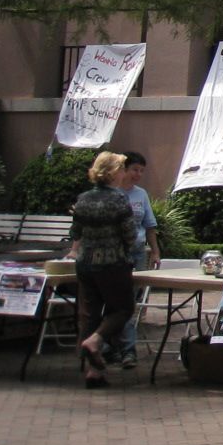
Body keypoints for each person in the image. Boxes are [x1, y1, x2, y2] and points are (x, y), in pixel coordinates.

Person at [68, 152, 138, 389]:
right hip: (112, 263)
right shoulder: (119, 200)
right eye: (120, 168)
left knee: (90, 313)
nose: (123, 173)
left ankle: (93, 373)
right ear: (112, 173)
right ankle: (95, 341)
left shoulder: (83, 199)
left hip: (85, 263)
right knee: (123, 308)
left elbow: (75, 233)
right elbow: (130, 234)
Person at [107, 150, 160, 369]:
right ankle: (116, 348)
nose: (138, 174)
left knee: (129, 301)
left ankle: (125, 349)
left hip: (137, 252)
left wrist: (155, 251)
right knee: (116, 302)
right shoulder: (111, 194)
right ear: (123, 170)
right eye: (134, 170)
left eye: (141, 171)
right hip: (116, 254)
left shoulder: (141, 194)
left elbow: (149, 225)